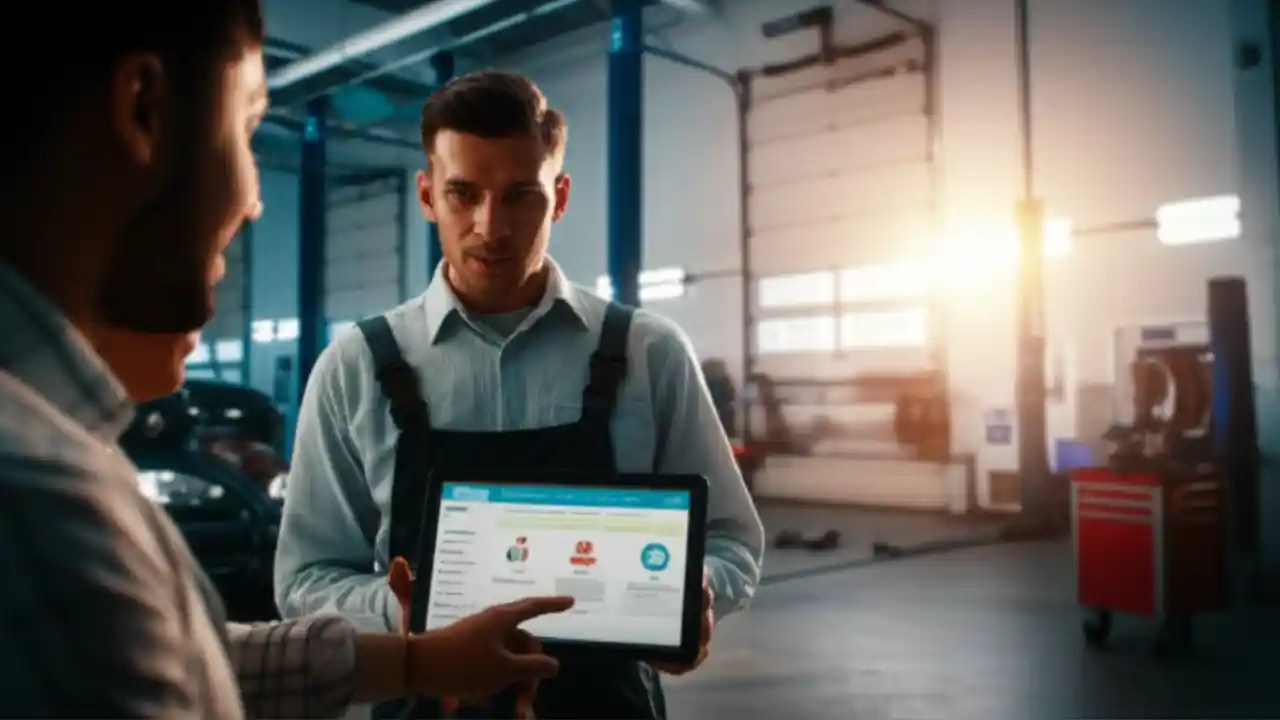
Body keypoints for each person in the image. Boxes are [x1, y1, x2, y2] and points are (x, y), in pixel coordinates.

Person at [0, 4, 572, 717]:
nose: (255, 201)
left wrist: (419, 660)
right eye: (245, 127)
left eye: (520, 196)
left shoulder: (56, 466)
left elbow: (182, 652)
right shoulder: (43, 506)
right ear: (143, 109)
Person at [274, 69, 766, 719]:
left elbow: (731, 536)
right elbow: (305, 577)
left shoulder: (650, 354)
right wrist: (404, 611)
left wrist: (687, 593)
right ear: (426, 195)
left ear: (559, 198)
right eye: (463, 194)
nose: (490, 225)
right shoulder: (355, 367)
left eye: (520, 197)